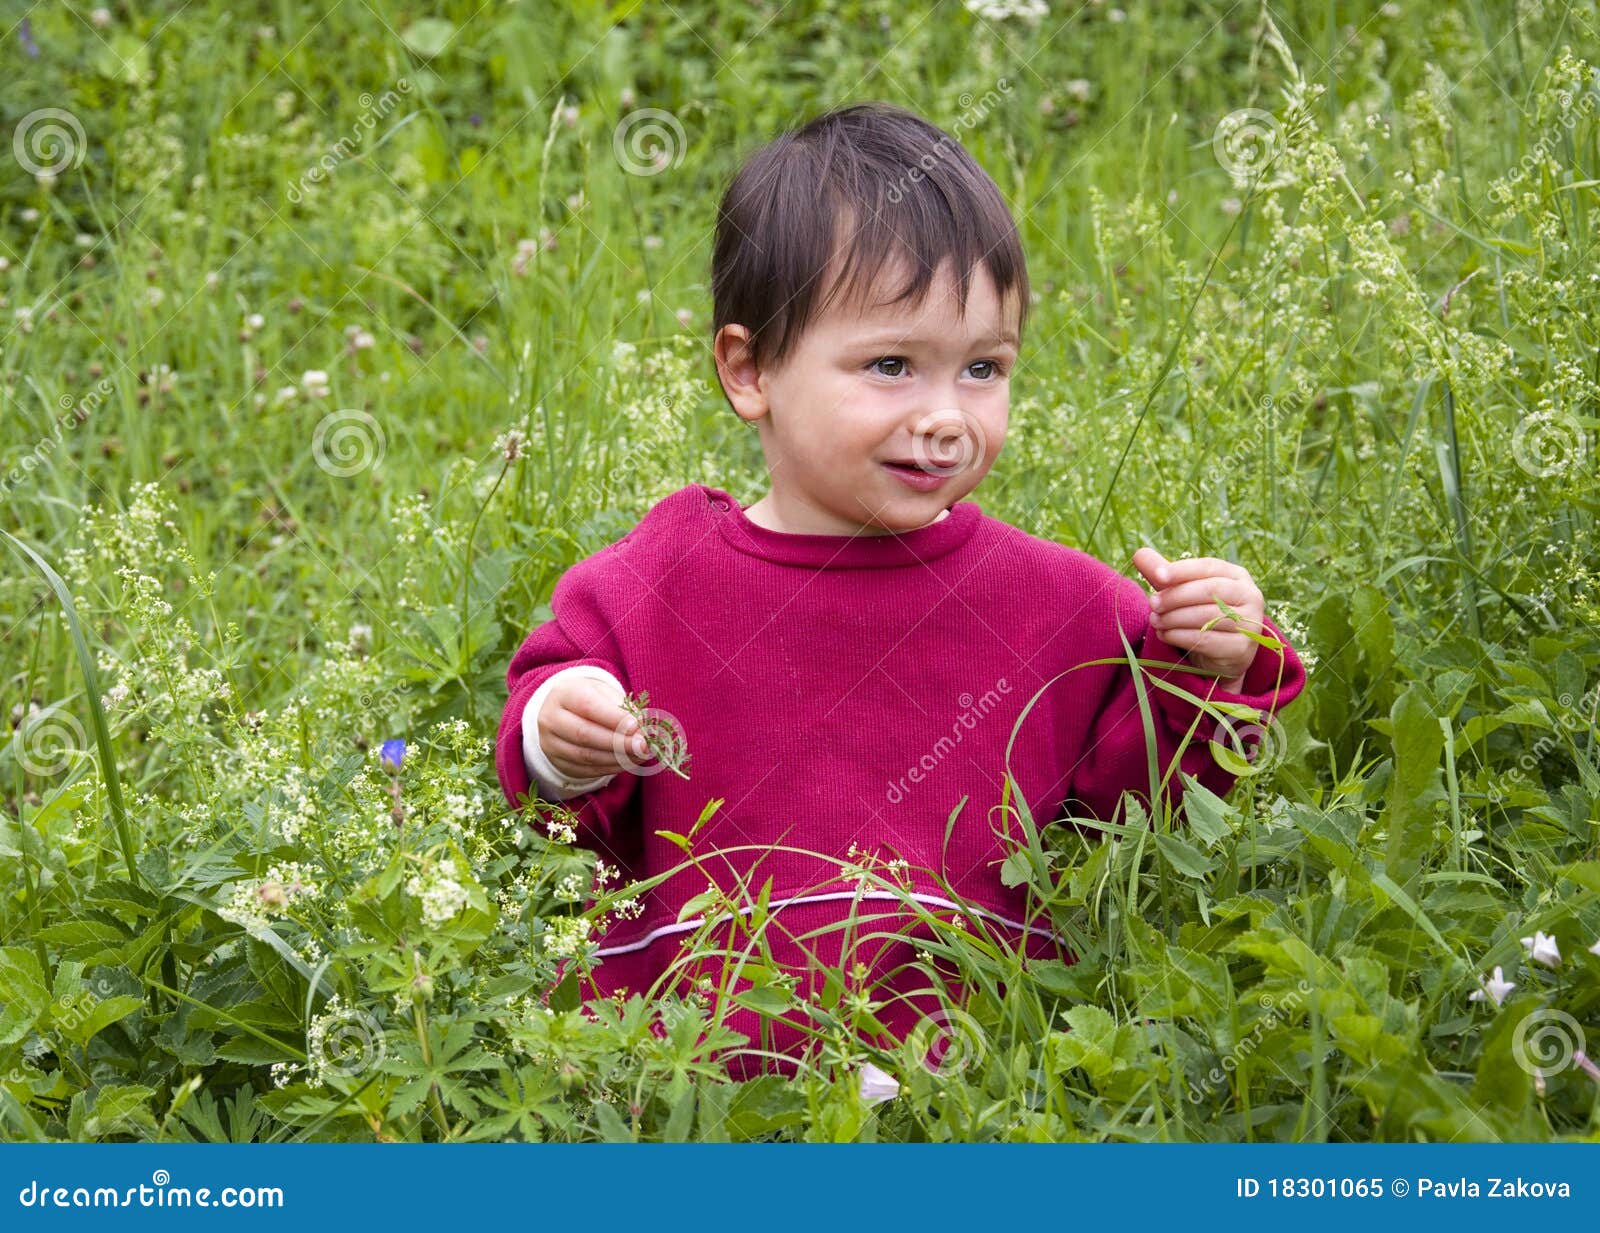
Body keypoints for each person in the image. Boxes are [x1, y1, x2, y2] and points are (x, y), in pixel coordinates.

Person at [494, 101, 1307, 1086]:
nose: (944, 416)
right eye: (890, 365)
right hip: (687, 1083)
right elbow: (558, 792)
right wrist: (557, 734)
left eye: (981, 369)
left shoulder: (1057, 602)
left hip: (966, 1078)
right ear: (749, 371)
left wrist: (1212, 658)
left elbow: (1138, 811)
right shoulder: (658, 584)